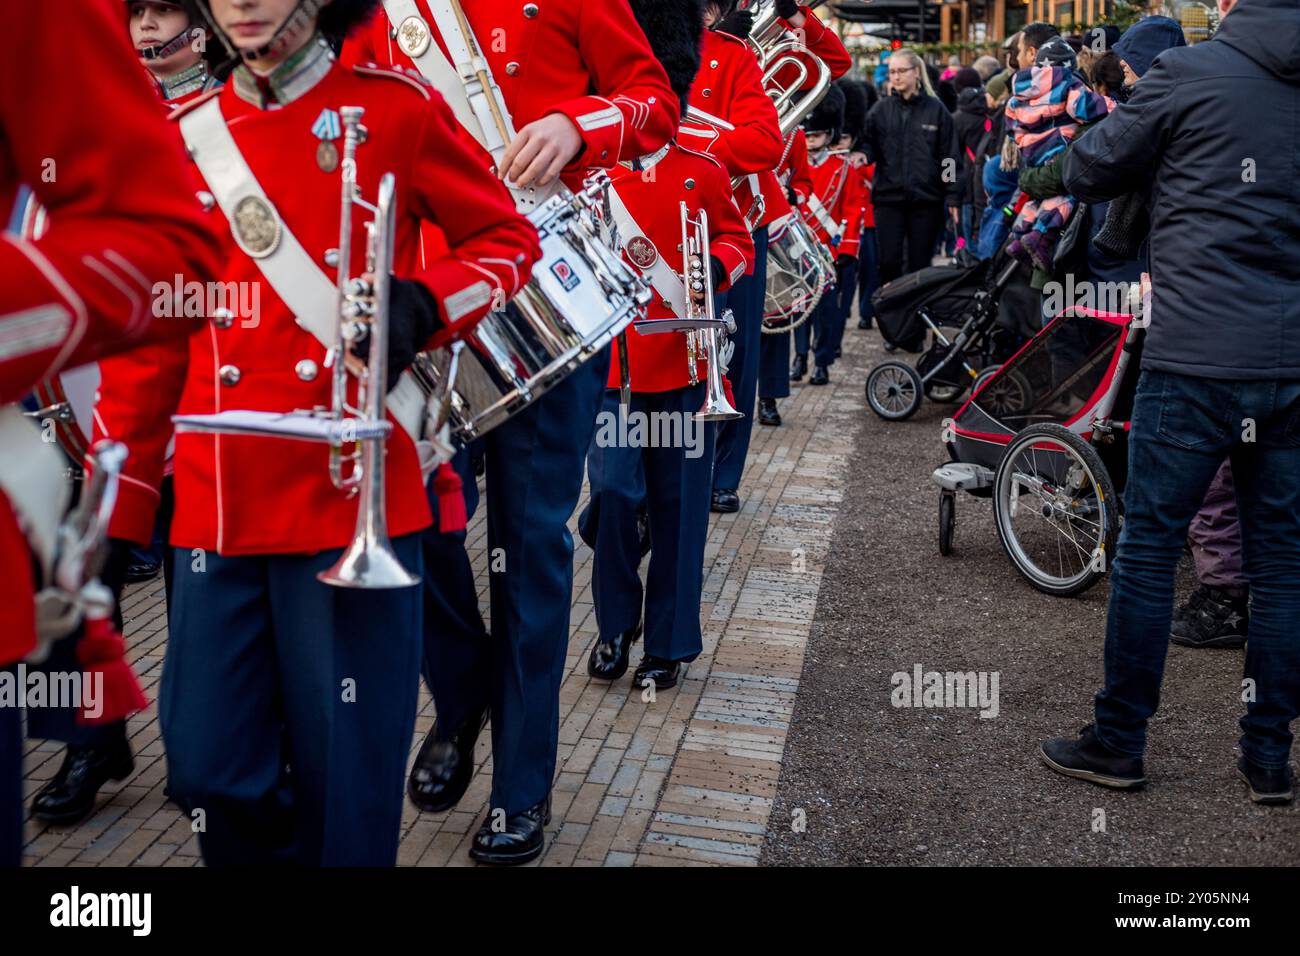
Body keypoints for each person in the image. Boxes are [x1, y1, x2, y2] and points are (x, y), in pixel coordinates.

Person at [114, 0, 541, 865]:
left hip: (352, 500)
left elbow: (507, 240)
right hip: (218, 502)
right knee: (203, 764)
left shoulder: (396, 108)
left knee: (345, 792)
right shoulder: (175, 133)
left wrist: (426, 302)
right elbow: (155, 338)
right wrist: (114, 506)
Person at [344, 0, 680, 865]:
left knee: (530, 549)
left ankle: (521, 785)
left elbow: (654, 102)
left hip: (545, 291)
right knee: (413, 538)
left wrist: (579, 122)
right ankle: (462, 697)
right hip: (418, 304)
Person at [1041, 0, 1300, 805]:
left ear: (1229, 6)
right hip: (1290, 362)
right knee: (1284, 563)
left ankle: (1120, 741)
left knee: (1149, 548)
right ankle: (1267, 759)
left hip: (1194, 358)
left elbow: (1087, 168)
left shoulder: (1188, 73)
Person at [1, 0, 223, 867]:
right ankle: (96, 736)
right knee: (91, 573)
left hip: (189, 386)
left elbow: (173, 247)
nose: (145, 34)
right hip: (61, 400)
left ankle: (195, 736)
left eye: (162, 18)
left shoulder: (215, 118)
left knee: (181, 578)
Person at [581, 0, 753, 695]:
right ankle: (613, 623)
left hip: (682, 367)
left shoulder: (704, 167)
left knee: (680, 512)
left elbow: (739, 239)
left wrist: (713, 264)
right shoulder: (596, 175)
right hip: (618, 369)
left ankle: (667, 644)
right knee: (616, 499)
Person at [678, 0, 782, 516]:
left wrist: (687, 142)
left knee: (734, 349)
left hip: (729, 220)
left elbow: (766, 144)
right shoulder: (628, 52)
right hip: (652, 220)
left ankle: (723, 473)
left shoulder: (732, 55)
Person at [745, 1, 852, 428]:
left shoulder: (781, 52)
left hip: (767, 211)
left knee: (774, 314)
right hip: (716, 196)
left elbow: (836, 61)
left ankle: (769, 395)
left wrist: (794, 15)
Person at [859, 47, 959, 285]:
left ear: (916, 72)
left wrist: (953, 194)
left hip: (926, 200)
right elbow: (867, 142)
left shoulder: (936, 110)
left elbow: (949, 157)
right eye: (892, 71)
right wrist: (863, 154)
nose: (896, 76)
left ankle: (916, 317)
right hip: (888, 198)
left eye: (901, 71)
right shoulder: (880, 110)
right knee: (889, 262)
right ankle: (893, 317)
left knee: (920, 264)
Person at [789, 85, 865, 386]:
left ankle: (821, 362)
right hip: (797, 249)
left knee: (824, 313)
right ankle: (799, 358)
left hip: (828, 251)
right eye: (807, 135)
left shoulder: (843, 169)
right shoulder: (794, 167)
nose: (811, 141)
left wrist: (847, 249)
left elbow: (854, 209)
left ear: (829, 134)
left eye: (817, 135)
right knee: (798, 310)